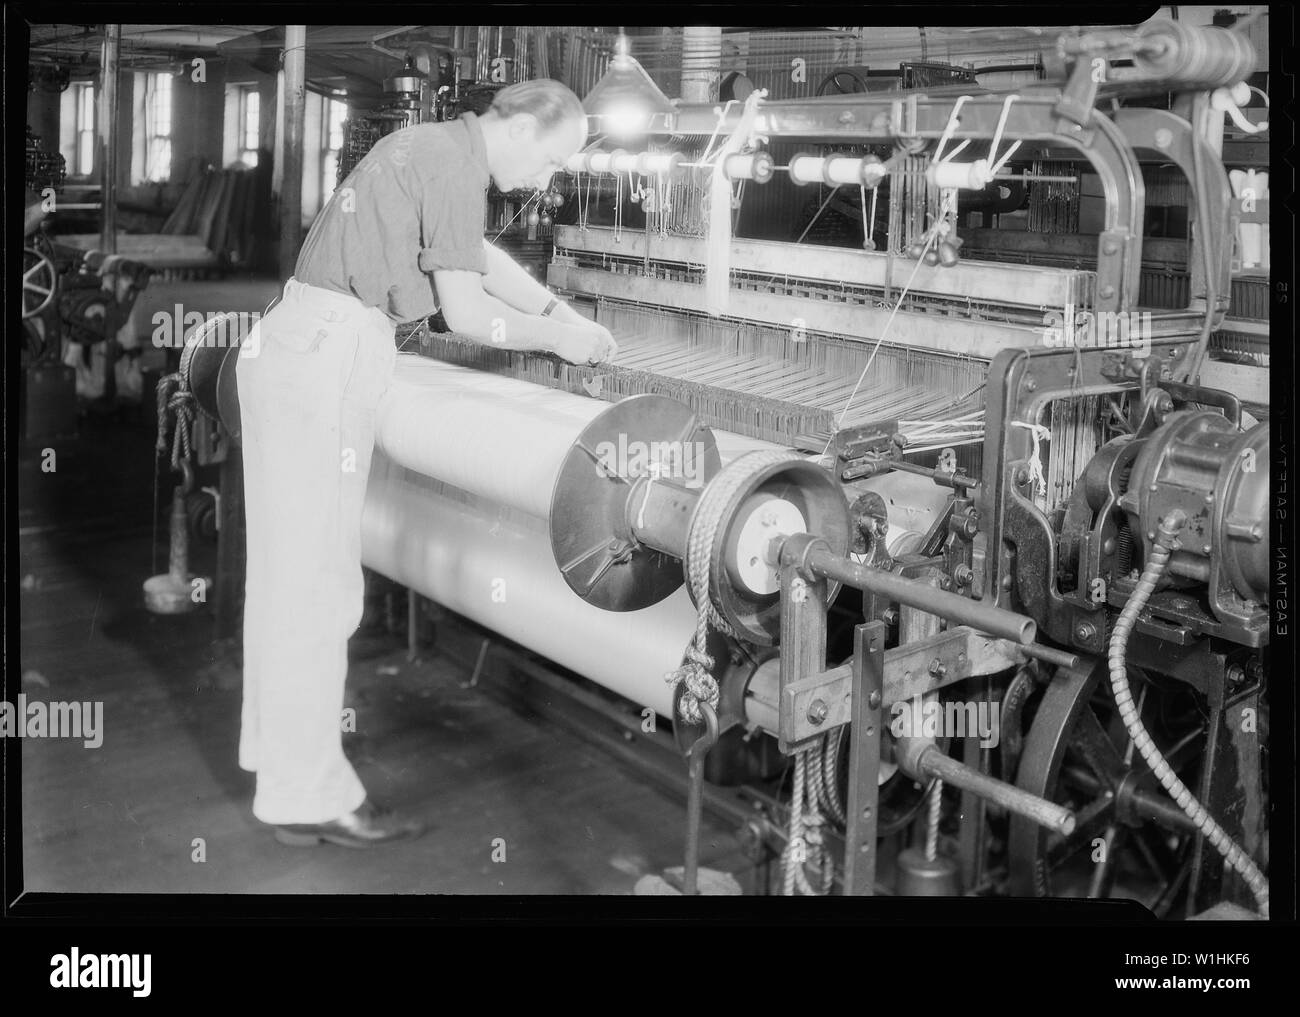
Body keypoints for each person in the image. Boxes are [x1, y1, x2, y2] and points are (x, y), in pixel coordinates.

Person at [236, 78, 615, 847]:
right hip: (331, 357)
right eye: (549, 162)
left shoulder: (431, 149)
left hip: (294, 342)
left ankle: (282, 771)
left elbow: (475, 256)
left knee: (285, 581)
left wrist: (557, 310)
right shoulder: (451, 166)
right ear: (513, 127)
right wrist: (560, 342)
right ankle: (311, 795)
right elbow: (468, 312)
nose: (545, 183)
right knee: (319, 589)